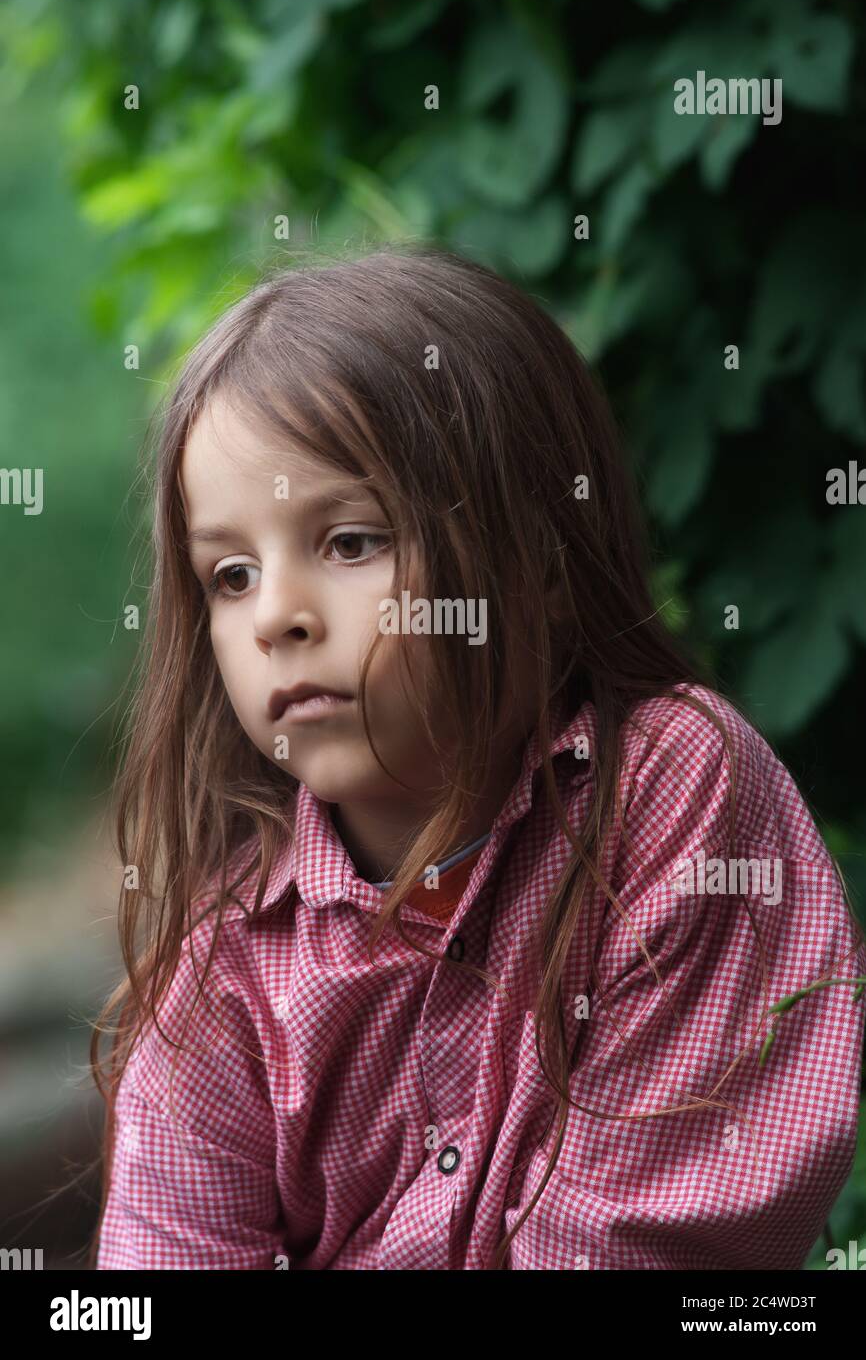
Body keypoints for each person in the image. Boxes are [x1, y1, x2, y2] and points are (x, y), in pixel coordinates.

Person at [90, 245, 865, 1270]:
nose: (275, 613)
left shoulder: (666, 790)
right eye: (229, 574)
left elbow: (640, 1246)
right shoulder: (219, 979)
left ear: (538, 565)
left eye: (351, 541)